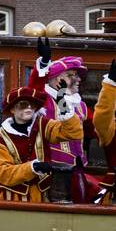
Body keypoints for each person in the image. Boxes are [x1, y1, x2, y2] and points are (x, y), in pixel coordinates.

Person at [0, 86, 83, 203]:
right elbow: (4, 174)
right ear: (12, 109)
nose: (28, 107)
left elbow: (73, 134)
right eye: (23, 104)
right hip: (14, 200)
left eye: (32, 104)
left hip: (45, 196)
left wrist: (64, 109)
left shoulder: (43, 125)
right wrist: (33, 167)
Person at [35, 38, 93, 202]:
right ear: (54, 79)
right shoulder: (43, 99)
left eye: (77, 76)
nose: (77, 79)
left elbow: (97, 128)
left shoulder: (79, 103)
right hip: (51, 172)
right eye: (70, 75)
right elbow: (35, 85)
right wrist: (44, 62)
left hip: (77, 170)